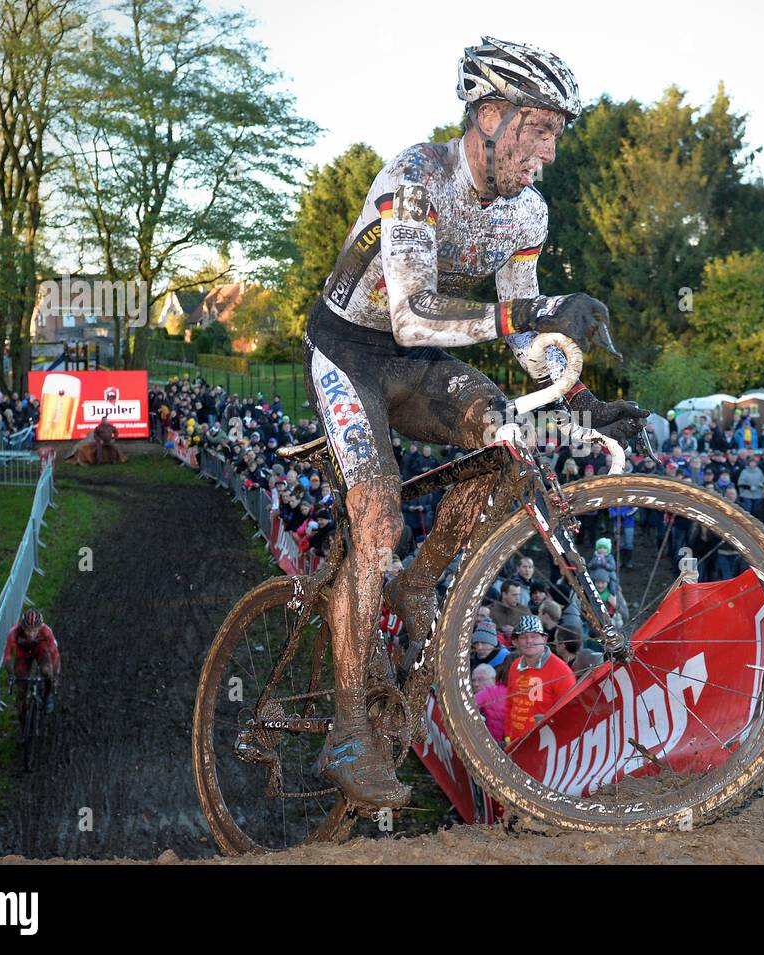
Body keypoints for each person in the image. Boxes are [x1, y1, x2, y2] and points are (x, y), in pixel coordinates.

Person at [302, 37, 648, 808]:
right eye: (539, 130)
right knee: (378, 514)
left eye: (557, 134)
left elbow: (520, 332)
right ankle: (349, 729)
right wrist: (534, 308)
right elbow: (415, 311)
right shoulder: (416, 177)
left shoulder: (528, 211)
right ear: (490, 117)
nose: (548, 153)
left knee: (508, 432)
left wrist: (573, 392)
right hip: (352, 351)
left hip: (423, 362)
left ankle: (418, 585)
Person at [503, 614, 574, 745]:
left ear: (545, 639)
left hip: (545, 747)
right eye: (523, 637)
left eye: (534, 636)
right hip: (515, 745)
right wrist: (508, 737)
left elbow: (568, 715)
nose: (529, 641)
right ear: (517, 641)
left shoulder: (561, 671)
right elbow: (510, 704)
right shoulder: (514, 666)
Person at [1, 608, 61, 720]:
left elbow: (55, 655)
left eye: (35, 630)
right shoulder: (14, 632)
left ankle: (47, 697)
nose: (31, 634)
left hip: (41, 652)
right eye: (28, 630)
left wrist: (56, 675)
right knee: (20, 691)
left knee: (47, 673)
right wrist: (10, 674)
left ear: (40, 627)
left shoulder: (46, 631)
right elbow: (7, 657)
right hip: (22, 655)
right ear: (23, 626)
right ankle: (23, 722)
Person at [471, 664, 507, 742]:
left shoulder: (487, 693)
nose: (476, 684)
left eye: (481, 680)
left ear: (493, 679)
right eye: (473, 680)